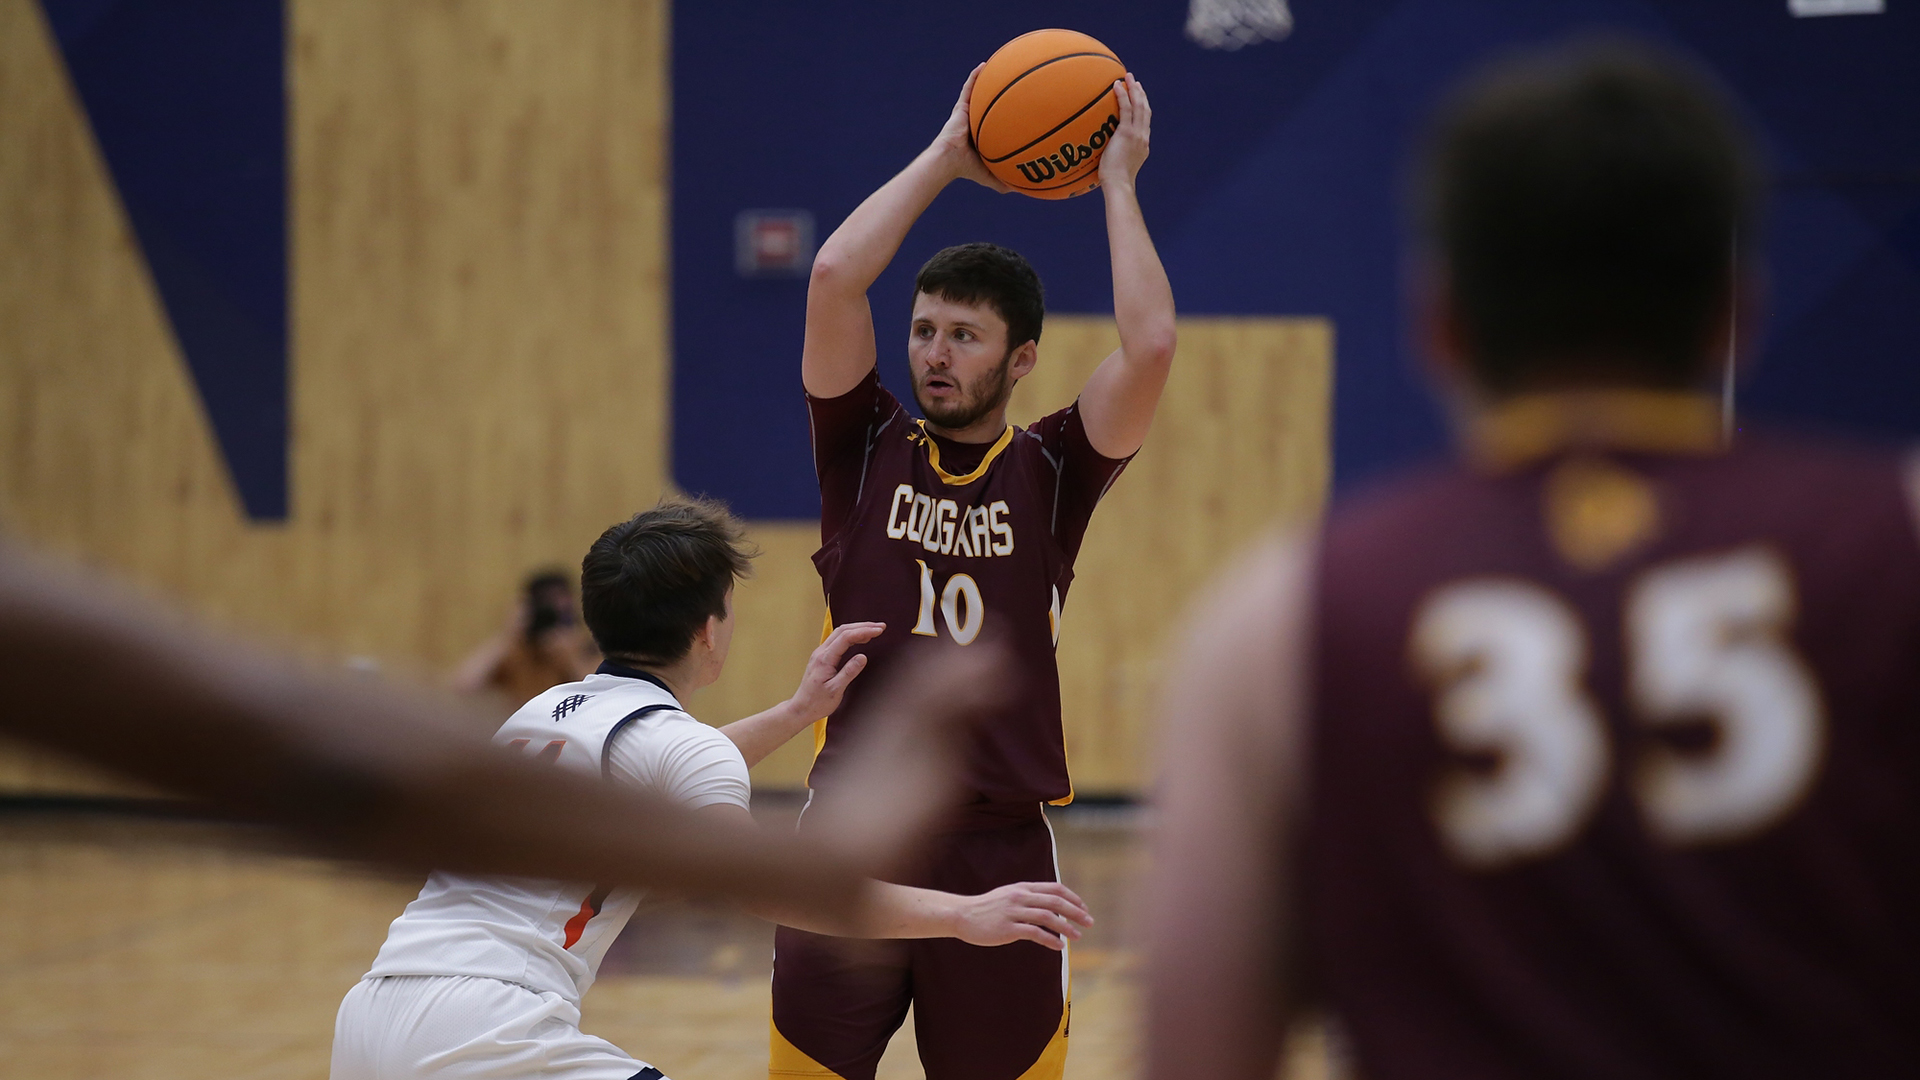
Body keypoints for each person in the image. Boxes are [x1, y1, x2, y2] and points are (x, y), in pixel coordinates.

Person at [1144, 38, 1920, 1080]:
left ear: (1439, 324)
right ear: (1735, 315)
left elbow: (1197, 1054)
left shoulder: (1280, 619)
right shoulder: (1899, 537)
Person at [333, 498, 1093, 1080]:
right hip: (487, 1024)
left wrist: (797, 713)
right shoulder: (680, 745)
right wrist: (964, 914)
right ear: (707, 629)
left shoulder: (544, 712)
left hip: (370, 1014)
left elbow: (657, 770)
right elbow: (774, 885)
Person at [774, 64, 1176, 1080]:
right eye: (924, 332)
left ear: (1021, 358)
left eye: (964, 336)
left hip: (1000, 844)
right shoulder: (862, 444)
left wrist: (1117, 183)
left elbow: (1151, 346)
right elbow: (833, 276)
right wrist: (950, 155)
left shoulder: (1052, 470)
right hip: (855, 826)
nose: (935, 355)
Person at [450, 569, 601, 711]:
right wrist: (508, 636)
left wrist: (570, 659)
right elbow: (462, 687)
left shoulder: (587, 649)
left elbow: (599, 701)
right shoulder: (517, 651)